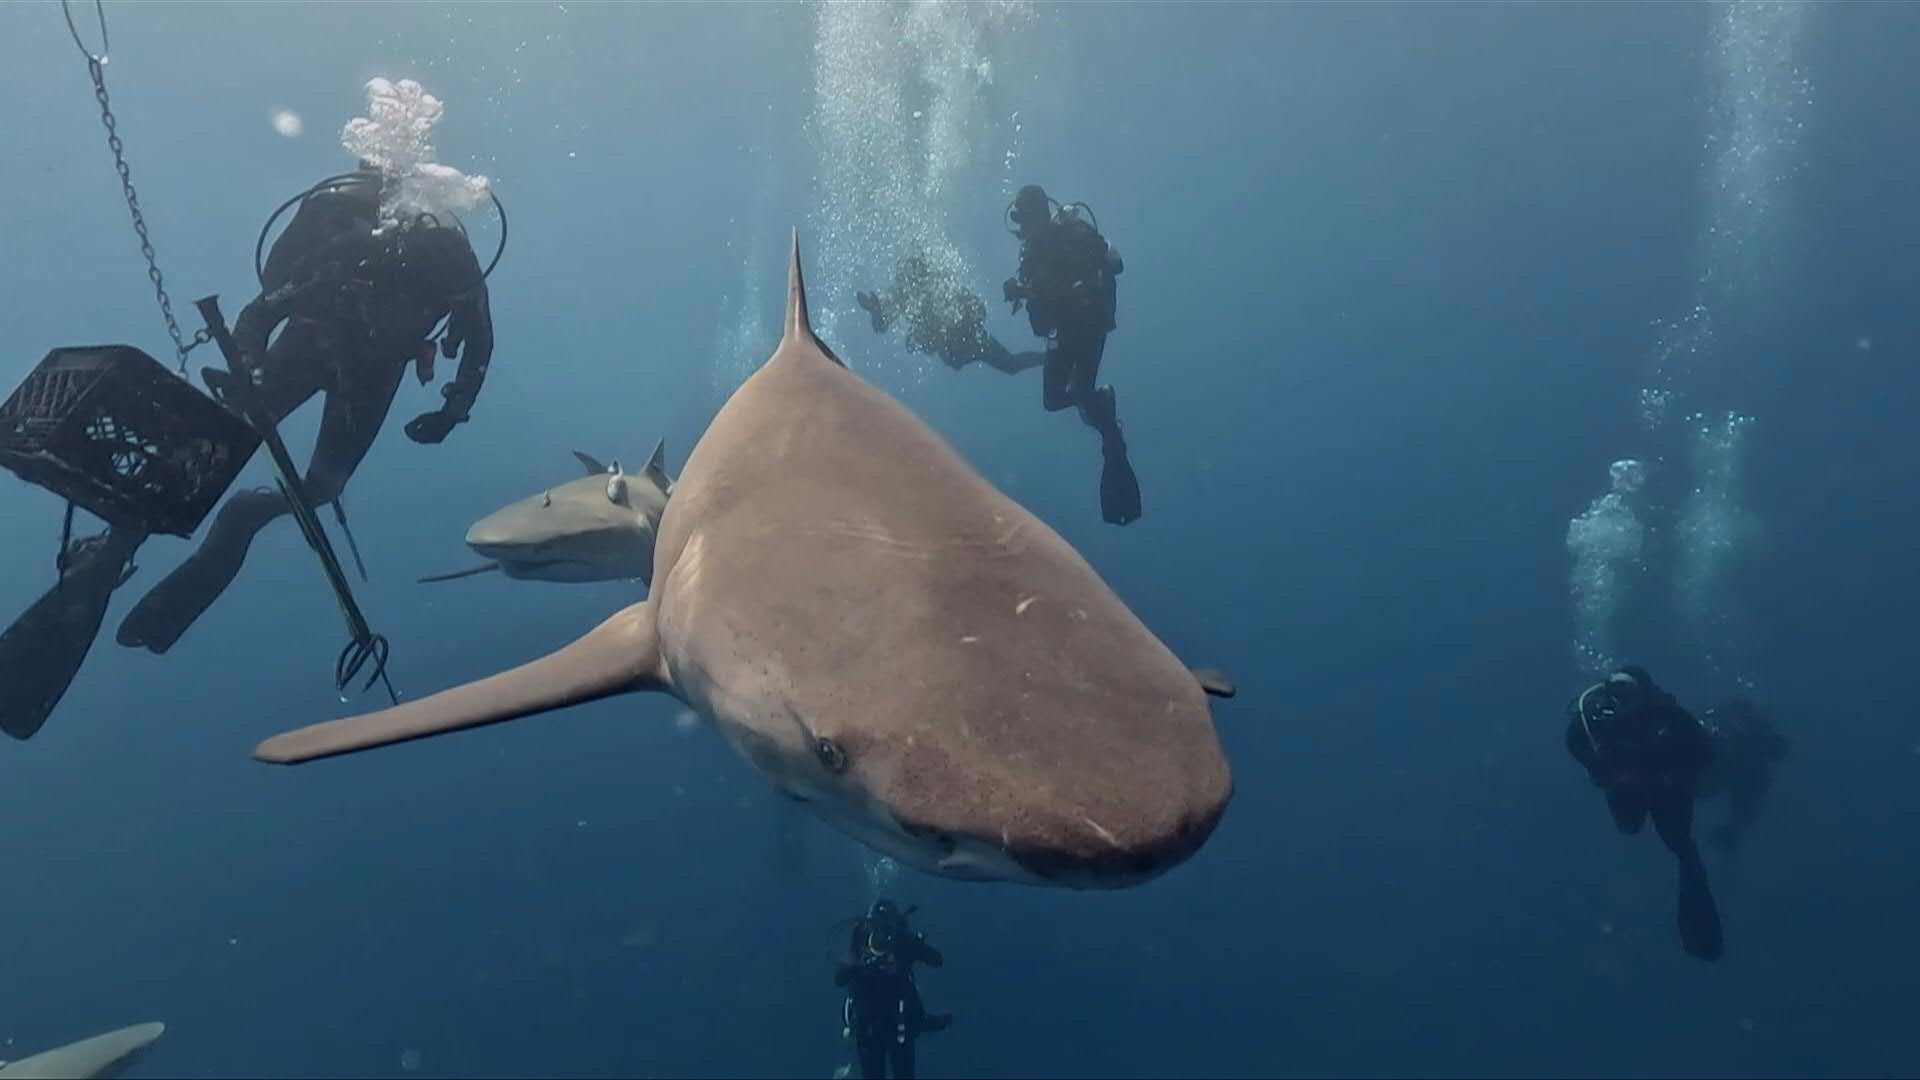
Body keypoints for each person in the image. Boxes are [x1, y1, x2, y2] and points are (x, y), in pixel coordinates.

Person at [114, 163, 495, 655]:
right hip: (309, 347)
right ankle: (124, 535)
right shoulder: (350, 252)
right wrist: (248, 369)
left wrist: (455, 407)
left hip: (373, 377)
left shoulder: (455, 266)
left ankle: (246, 515)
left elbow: (479, 342)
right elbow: (259, 312)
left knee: (321, 487)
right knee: (219, 443)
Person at [1001, 184, 1139, 525]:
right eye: (1020, 217)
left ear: (1041, 212)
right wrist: (1020, 290)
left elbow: (1111, 263)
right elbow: (1040, 301)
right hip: (1063, 329)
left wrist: (1076, 287)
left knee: (1079, 388)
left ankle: (1109, 431)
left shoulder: (1071, 231)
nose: (1023, 224)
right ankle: (1101, 407)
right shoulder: (1030, 255)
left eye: (1026, 215)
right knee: (1052, 399)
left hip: (1089, 321)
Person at [1565, 666, 1724, 961]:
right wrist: (1601, 769)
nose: (1621, 702)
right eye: (1616, 693)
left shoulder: (1666, 713)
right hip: (1626, 787)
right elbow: (1574, 739)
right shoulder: (1596, 714)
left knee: (1682, 846)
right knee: (1629, 825)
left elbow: (1704, 750)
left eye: (1628, 693)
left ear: (1644, 694)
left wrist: (1672, 774)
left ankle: (1701, 934)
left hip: (1666, 787)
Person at [856, 251, 1043, 376]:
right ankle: (1049, 357)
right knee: (1010, 364)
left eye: (919, 268)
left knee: (1010, 365)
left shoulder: (938, 281)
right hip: (955, 345)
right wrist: (877, 311)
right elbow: (881, 325)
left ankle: (1049, 357)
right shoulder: (904, 294)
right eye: (913, 271)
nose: (917, 276)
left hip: (964, 337)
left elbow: (977, 309)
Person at [834, 899, 951, 1079]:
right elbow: (840, 979)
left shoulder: (903, 943)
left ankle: (925, 1022)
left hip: (899, 1026)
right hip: (869, 1029)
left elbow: (937, 959)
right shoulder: (859, 941)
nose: (880, 938)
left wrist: (913, 948)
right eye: (876, 930)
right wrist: (853, 965)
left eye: (886, 930)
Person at [1695, 697, 1789, 852]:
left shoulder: (1759, 729)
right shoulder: (1716, 721)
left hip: (1746, 775)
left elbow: (1780, 750)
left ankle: (1730, 837)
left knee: (1746, 805)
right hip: (1723, 770)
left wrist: (1756, 740)